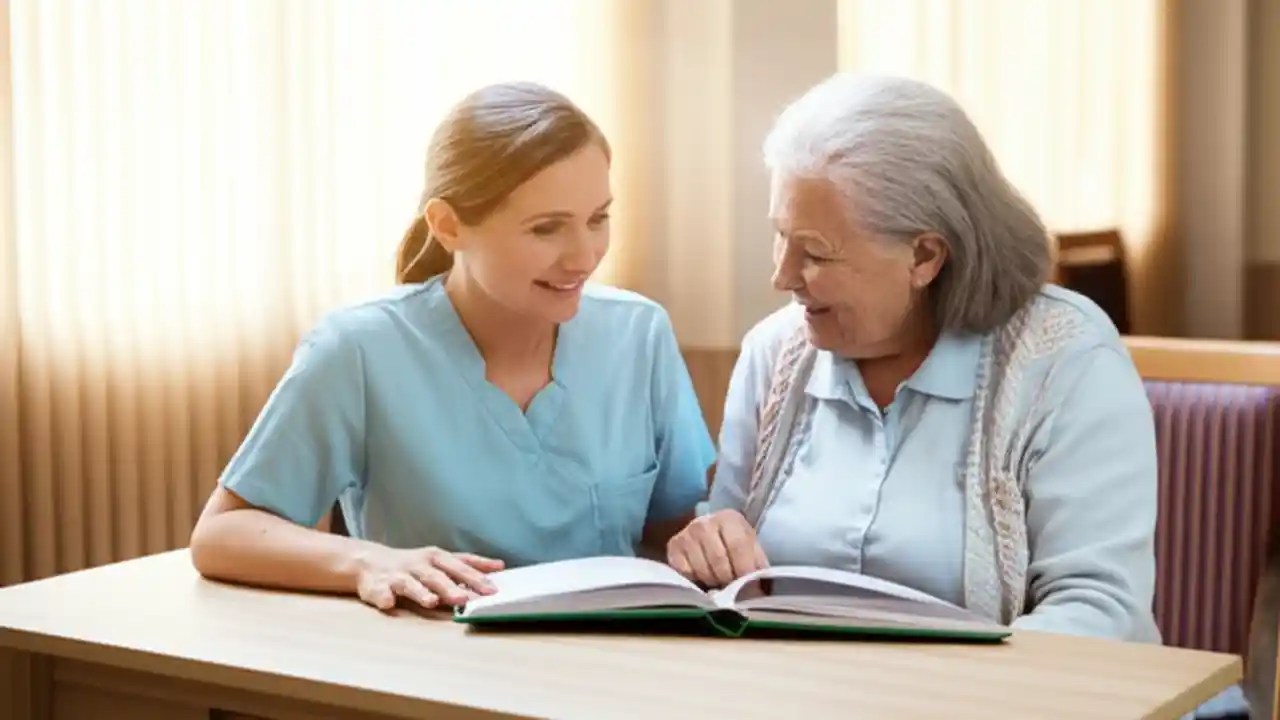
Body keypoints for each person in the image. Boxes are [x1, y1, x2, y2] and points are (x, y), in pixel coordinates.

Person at [666, 73, 1162, 643]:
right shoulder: (774, 352)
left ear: (925, 256)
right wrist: (709, 548)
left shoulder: (1068, 362)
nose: (781, 277)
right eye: (781, 237)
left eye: (816, 254)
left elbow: (1099, 613)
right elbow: (729, 577)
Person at [190, 81, 715, 612]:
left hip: (613, 664)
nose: (584, 256)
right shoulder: (359, 350)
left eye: (598, 219)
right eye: (546, 229)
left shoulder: (638, 335)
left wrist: (717, 534)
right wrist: (365, 561)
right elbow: (222, 533)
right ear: (448, 225)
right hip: (433, 666)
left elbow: (674, 526)